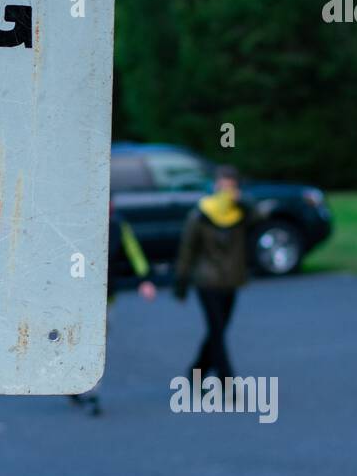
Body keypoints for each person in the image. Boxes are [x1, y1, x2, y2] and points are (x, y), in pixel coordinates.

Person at [70, 203, 157, 416]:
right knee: (79, 339)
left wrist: (144, 278)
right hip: (78, 295)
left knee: (98, 343)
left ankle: (91, 391)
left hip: (106, 294)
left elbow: (134, 252)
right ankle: (77, 382)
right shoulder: (77, 223)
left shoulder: (118, 226)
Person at [172, 165, 255, 380]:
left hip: (231, 281)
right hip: (207, 282)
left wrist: (243, 202)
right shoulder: (200, 215)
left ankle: (195, 372)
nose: (226, 192)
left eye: (231, 187)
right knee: (217, 333)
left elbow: (259, 216)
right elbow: (187, 251)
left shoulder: (240, 213)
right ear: (214, 187)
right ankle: (227, 380)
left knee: (218, 331)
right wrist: (180, 284)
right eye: (222, 186)